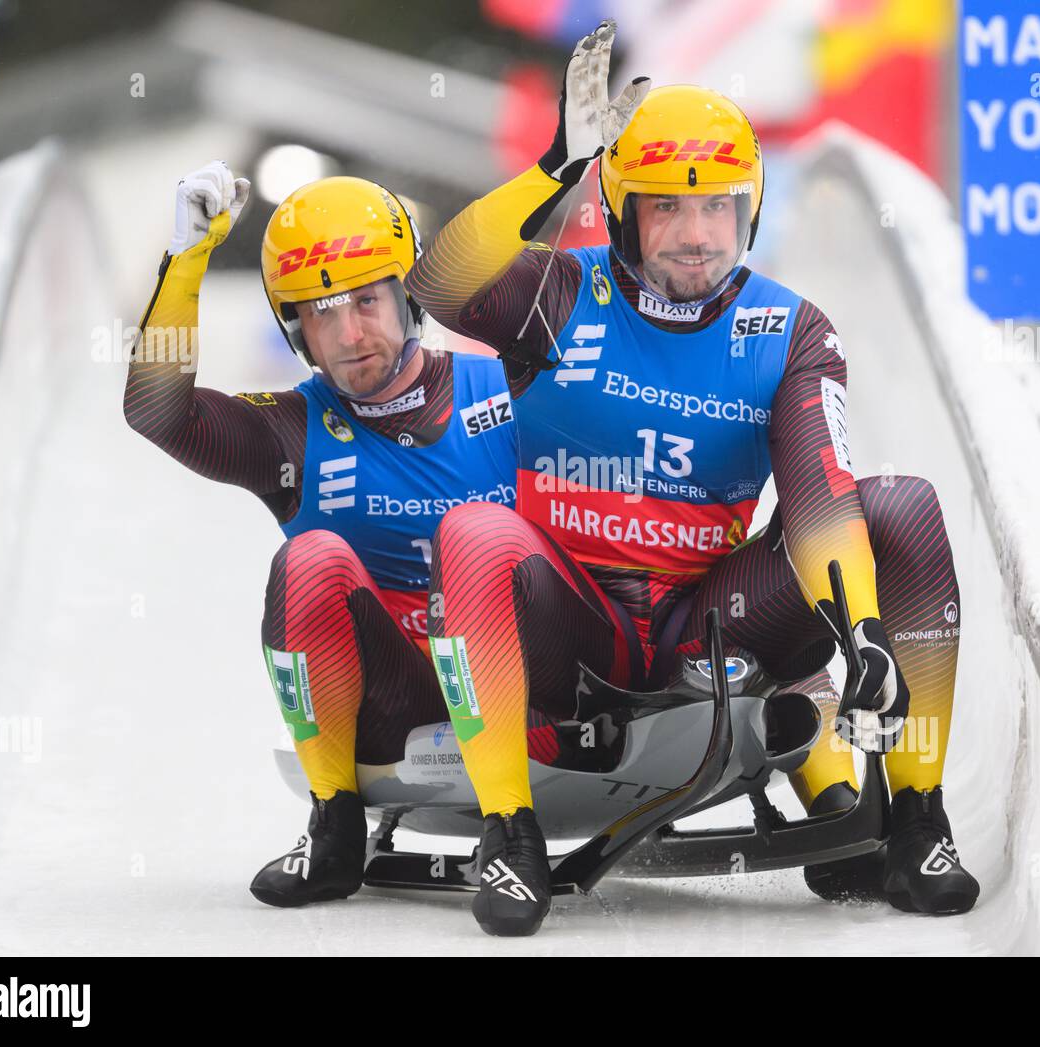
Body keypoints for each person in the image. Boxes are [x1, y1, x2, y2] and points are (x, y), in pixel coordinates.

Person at [406, 21, 979, 936]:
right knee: (473, 530)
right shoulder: (556, 296)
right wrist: (559, 161)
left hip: (703, 623)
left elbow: (820, 492)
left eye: (717, 206)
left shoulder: (790, 331)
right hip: (572, 624)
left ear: (749, 210)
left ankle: (916, 818)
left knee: (902, 504)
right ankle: (509, 832)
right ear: (627, 213)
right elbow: (437, 281)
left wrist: (862, 631)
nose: (696, 235)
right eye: (668, 207)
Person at [125, 162, 521, 907]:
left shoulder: (503, 390)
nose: (349, 334)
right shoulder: (287, 427)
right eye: (320, 313)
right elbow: (158, 414)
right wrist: (187, 263)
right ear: (295, 331)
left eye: (367, 301)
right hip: (390, 708)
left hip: (526, 684)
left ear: (407, 296)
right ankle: (333, 822)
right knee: (308, 555)